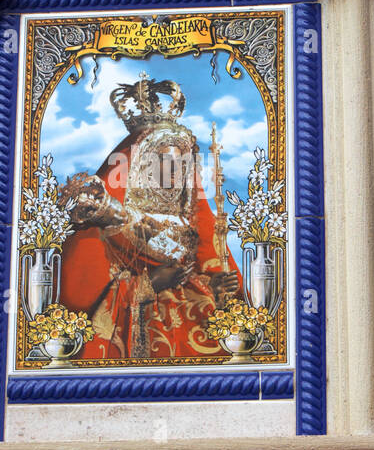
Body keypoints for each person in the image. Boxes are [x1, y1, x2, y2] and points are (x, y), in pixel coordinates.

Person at [56, 75, 242, 361]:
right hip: (138, 323)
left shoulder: (188, 215)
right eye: (166, 163)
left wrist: (214, 287)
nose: (177, 173)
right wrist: (147, 285)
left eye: (183, 164)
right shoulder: (112, 218)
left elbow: (196, 270)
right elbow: (88, 288)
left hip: (192, 326)